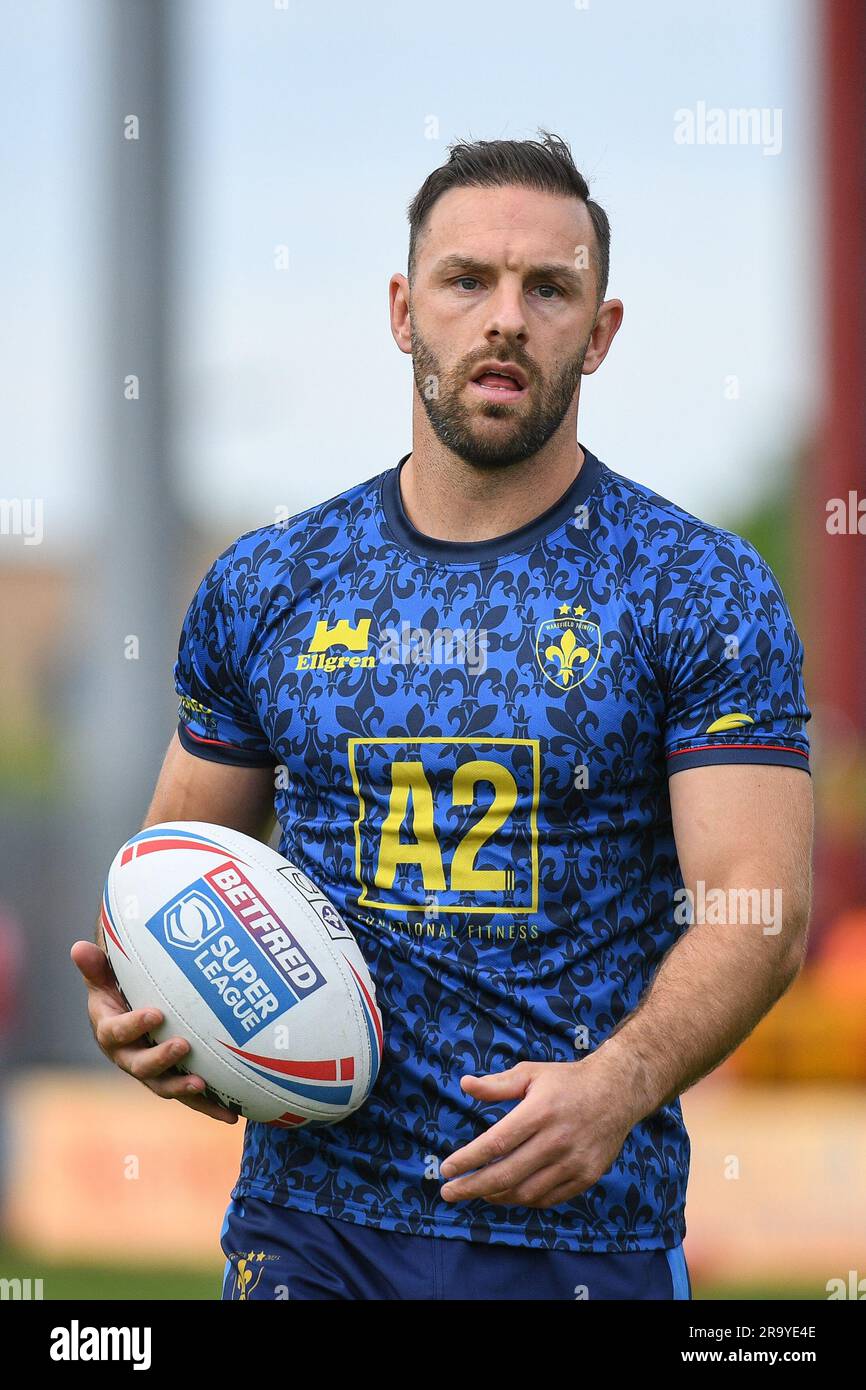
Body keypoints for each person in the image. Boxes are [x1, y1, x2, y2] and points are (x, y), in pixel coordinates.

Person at [73, 131, 813, 1301]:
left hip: (579, 1231)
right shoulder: (270, 583)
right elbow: (170, 866)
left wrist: (619, 1085)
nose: (504, 318)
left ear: (601, 330)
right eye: (466, 279)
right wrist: (154, 1014)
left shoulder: (695, 587)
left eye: (548, 288)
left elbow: (757, 914)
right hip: (311, 1224)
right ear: (400, 311)